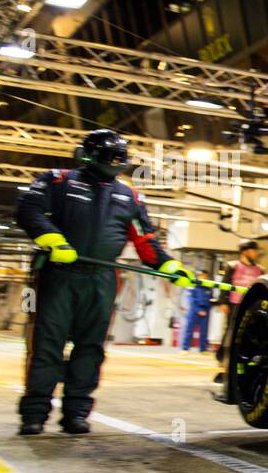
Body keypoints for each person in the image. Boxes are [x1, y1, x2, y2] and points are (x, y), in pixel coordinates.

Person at [15, 129, 195, 435]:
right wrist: (53, 241)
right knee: (47, 345)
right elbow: (27, 210)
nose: (113, 164)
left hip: (100, 280)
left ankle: (76, 412)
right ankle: (34, 413)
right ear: (87, 155)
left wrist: (169, 264)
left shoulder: (129, 196)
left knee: (90, 348)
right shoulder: (57, 180)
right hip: (56, 276)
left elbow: (145, 237)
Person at [217, 240, 263, 318]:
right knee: (233, 328)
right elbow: (224, 284)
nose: (256, 253)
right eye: (254, 251)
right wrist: (223, 302)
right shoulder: (233, 266)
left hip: (252, 306)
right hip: (235, 305)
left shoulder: (260, 269)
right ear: (245, 252)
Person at [180, 272, 213, 352]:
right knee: (189, 330)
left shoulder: (208, 288)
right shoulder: (193, 286)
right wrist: (198, 310)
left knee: (204, 331)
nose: (203, 278)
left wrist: (207, 310)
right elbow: (190, 299)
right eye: (201, 276)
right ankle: (185, 348)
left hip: (205, 311)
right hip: (194, 311)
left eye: (205, 276)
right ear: (198, 276)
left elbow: (210, 300)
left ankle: (203, 349)